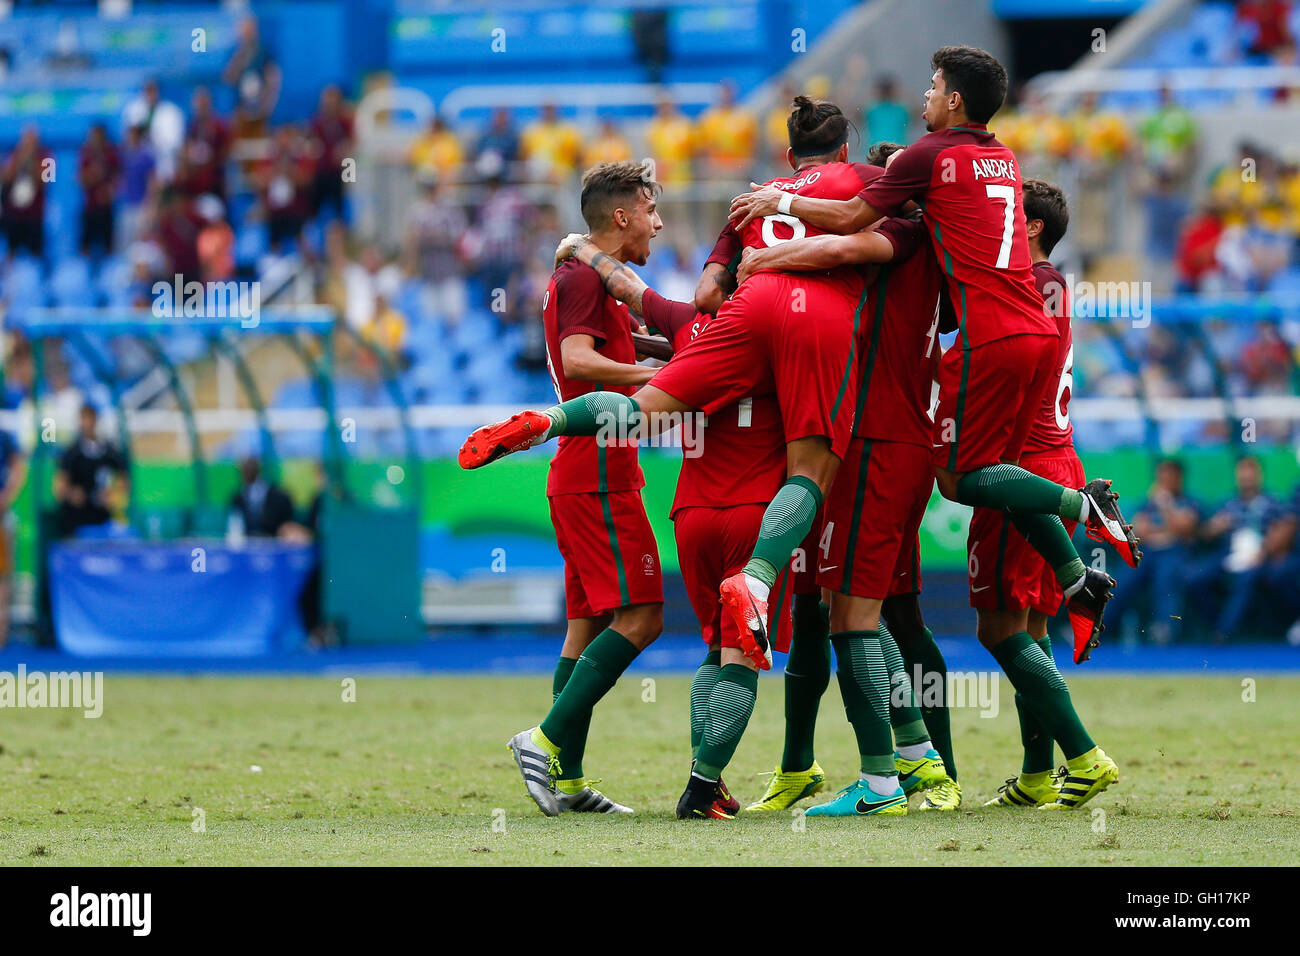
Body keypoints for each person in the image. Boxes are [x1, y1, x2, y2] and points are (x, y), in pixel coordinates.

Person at [729, 46, 1129, 810]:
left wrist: (773, 219)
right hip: (956, 398)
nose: (923, 94)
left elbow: (849, 227)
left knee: (876, 604)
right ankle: (951, 763)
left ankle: (907, 770)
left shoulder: (913, 206)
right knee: (903, 613)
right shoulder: (999, 164)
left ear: (952, 102)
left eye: (933, 86)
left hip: (895, 433)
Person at [732, 141, 957, 815]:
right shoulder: (932, 254)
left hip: (876, 441)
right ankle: (916, 764)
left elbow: (835, 246)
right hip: (896, 439)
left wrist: (763, 252)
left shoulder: (898, 235)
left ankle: (894, 777)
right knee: (864, 610)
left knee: (851, 614)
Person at [494, 161, 667, 817]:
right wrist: (651, 381)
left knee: (586, 625)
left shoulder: (588, 279)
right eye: (650, 209)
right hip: (596, 465)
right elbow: (579, 362)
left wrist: (670, 348)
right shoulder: (582, 278)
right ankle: (542, 740)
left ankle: (566, 781)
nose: (658, 223)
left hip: (588, 465)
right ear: (620, 215)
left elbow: (612, 344)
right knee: (644, 614)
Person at [1107, 459, 1201, 643]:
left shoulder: (1189, 502)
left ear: (1179, 478)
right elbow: (1138, 530)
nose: (1164, 480)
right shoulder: (1148, 503)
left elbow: (1185, 528)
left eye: (1169, 475)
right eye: (1161, 475)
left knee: (1166, 578)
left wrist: (1166, 506)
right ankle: (1099, 628)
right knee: (1121, 581)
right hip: (1147, 552)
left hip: (1175, 553)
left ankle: (1165, 630)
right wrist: (1168, 530)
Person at [55, 404, 129, 539]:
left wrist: (113, 495)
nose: (86, 424)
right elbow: (60, 487)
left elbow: (124, 480)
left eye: (89, 419)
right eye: (83, 419)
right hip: (77, 521)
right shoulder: (71, 453)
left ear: (96, 420)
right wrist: (72, 494)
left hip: (103, 519)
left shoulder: (110, 452)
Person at [0, 426, 26, 648]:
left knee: (3, 573)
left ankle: (2, 632)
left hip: (1, 515)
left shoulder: (4, 436)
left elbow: (18, 468)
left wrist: (5, 498)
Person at [77, 123, 120, 258]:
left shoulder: (111, 154)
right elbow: (81, 179)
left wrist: (110, 191)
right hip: (90, 207)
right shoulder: (86, 154)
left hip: (106, 208)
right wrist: (94, 174)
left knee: (109, 247)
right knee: (86, 246)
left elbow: (119, 178)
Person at [228, 457, 294, 539]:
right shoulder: (238, 497)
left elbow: (286, 525)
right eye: (245, 467)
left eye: (251, 466)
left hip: (273, 543)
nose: (248, 469)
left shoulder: (279, 496)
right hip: (247, 544)